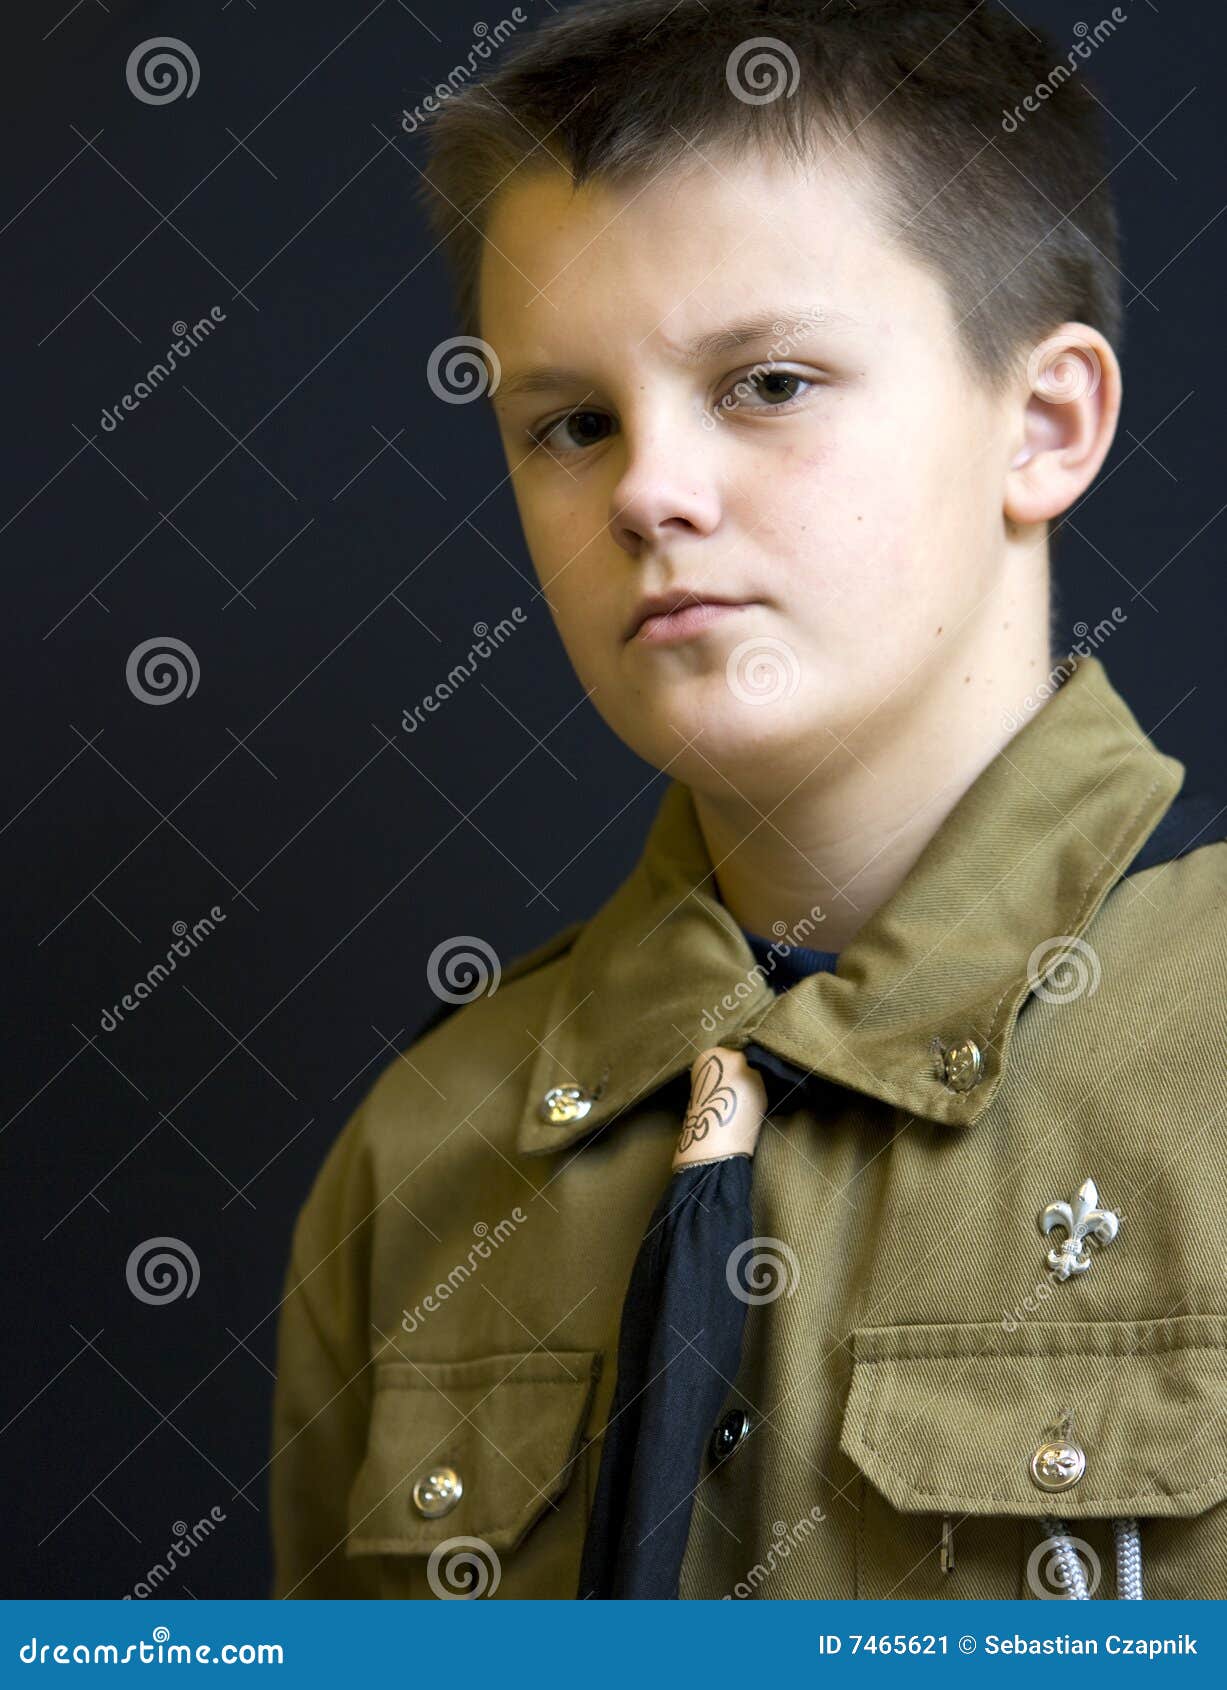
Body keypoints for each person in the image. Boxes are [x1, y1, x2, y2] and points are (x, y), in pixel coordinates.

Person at [268, 0, 1227, 1601]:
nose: (647, 489)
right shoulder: (428, 1157)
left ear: (1044, 423)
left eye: (768, 382)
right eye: (571, 423)